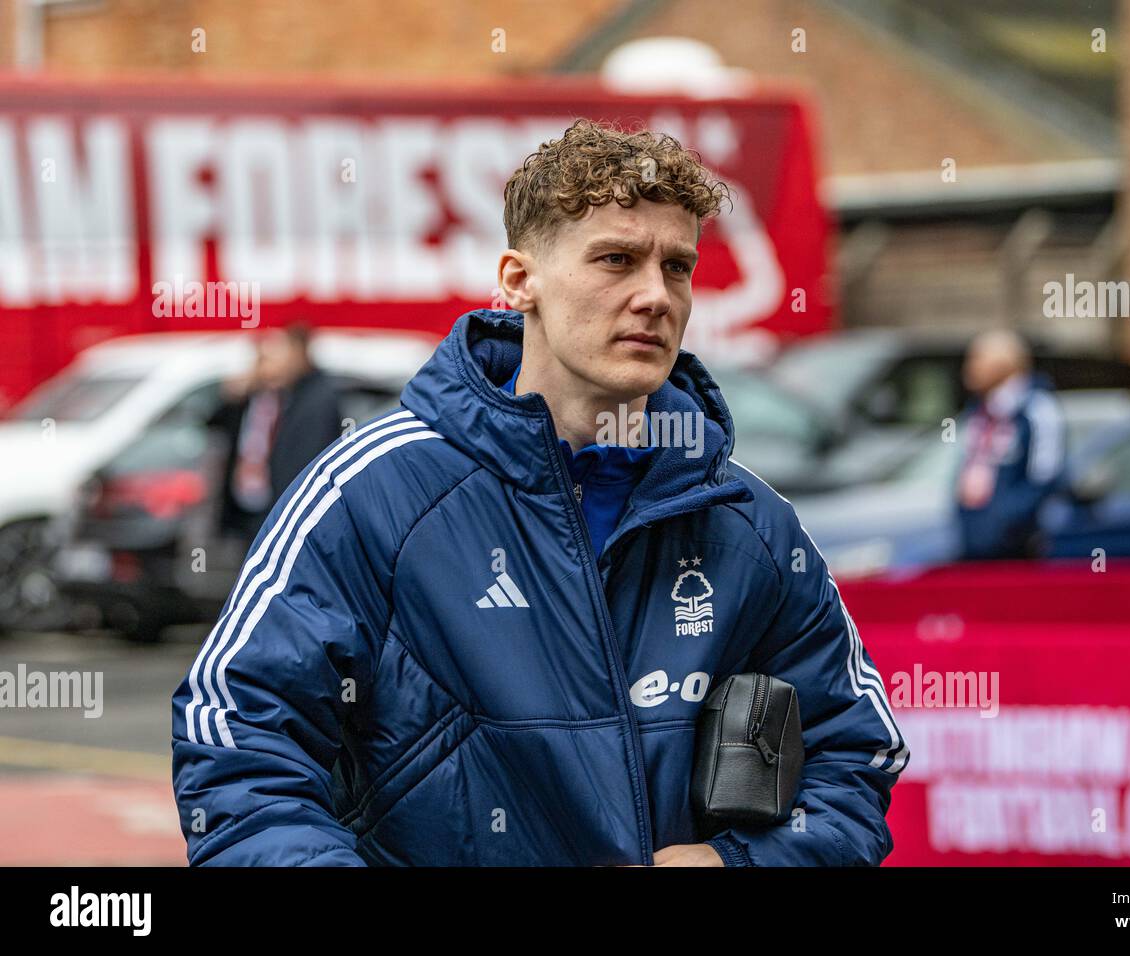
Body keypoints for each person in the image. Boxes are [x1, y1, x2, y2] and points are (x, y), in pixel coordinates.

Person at [171, 119, 908, 867]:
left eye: (677, 268)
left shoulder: (750, 524)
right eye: (616, 260)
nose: (655, 295)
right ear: (519, 281)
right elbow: (237, 741)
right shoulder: (369, 494)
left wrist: (739, 863)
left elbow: (854, 757)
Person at [206, 323, 343, 542]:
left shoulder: (308, 398)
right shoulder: (254, 395)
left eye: (275, 355)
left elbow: (305, 457)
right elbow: (214, 424)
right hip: (246, 508)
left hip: (280, 509)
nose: (270, 364)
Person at [954, 329, 1066, 560]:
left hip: (1016, 549)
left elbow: (1045, 477)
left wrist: (1003, 520)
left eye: (977, 358)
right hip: (976, 543)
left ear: (1003, 363)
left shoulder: (1037, 409)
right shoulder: (979, 411)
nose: (969, 367)